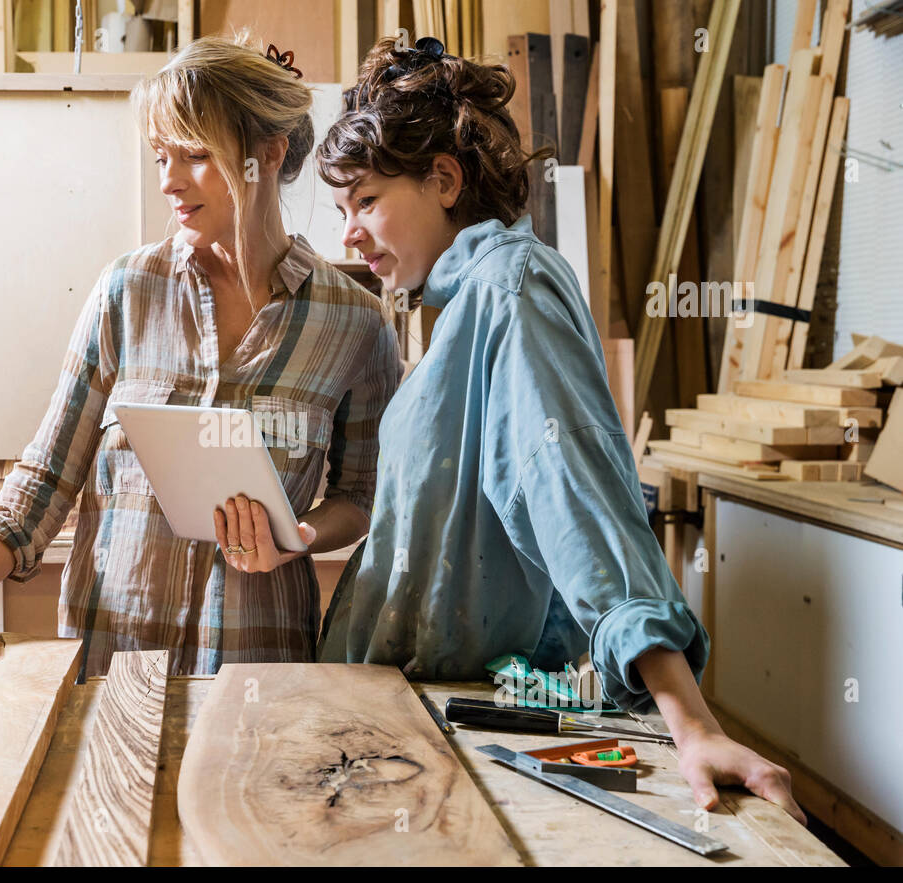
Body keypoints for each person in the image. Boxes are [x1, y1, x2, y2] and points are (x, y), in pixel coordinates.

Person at [315, 36, 805, 822]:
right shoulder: (464, 305)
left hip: (473, 728)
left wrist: (691, 723)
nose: (350, 234)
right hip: (410, 720)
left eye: (366, 201)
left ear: (444, 179)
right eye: (342, 212)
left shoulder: (511, 288)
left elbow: (572, 488)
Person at [0, 35, 402, 678]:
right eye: (161, 156)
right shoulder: (127, 292)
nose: (169, 181)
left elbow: (360, 497)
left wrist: (297, 537)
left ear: (267, 153)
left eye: (194, 155)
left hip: (261, 669)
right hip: (109, 664)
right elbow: (47, 475)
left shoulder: (354, 322)